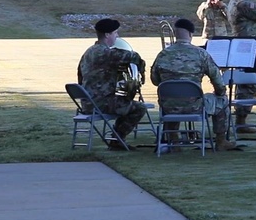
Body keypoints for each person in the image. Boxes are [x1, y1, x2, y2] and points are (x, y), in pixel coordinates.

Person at [150, 18, 238, 151]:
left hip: (168, 106)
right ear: (191, 34)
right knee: (222, 101)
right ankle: (221, 141)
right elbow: (218, 81)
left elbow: (155, 80)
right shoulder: (201, 54)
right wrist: (220, 93)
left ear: (175, 34)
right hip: (195, 106)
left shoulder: (163, 55)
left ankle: (173, 140)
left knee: (174, 100)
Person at [77, 18, 149, 150]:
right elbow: (133, 56)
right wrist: (141, 69)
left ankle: (116, 138)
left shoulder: (89, 52)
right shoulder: (105, 53)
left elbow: (80, 77)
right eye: (115, 33)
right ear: (107, 35)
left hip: (88, 102)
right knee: (139, 108)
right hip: (101, 103)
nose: (117, 36)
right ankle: (117, 139)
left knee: (126, 102)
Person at [226, 0, 256, 133]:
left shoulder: (234, 1)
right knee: (248, 84)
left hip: (244, 46)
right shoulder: (242, 3)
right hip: (247, 48)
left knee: (246, 83)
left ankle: (241, 119)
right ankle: (241, 120)